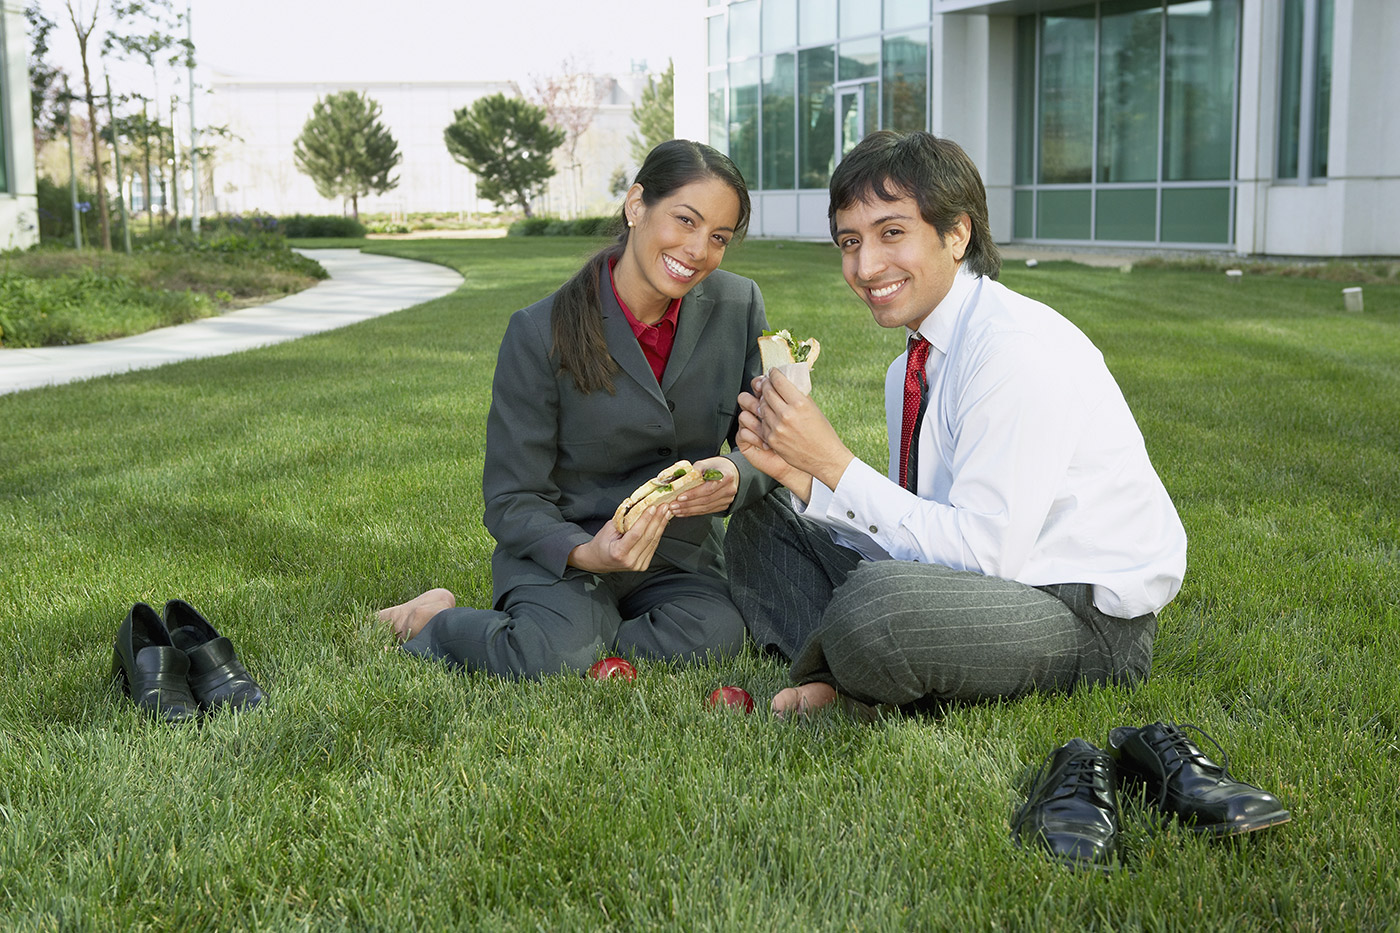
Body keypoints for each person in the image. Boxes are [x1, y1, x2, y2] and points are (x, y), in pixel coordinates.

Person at [726, 131, 1187, 716]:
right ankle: (869, 672)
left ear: (956, 234)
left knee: (881, 603)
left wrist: (834, 463)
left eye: (892, 233)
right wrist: (801, 476)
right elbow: (924, 540)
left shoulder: (1012, 351)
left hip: (1079, 617)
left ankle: (854, 679)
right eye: (850, 241)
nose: (866, 266)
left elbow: (986, 559)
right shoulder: (909, 368)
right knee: (760, 522)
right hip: (970, 587)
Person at [378, 140, 775, 678]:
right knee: (551, 658)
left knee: (717, 637)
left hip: (677, 557)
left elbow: (771, 444)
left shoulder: (739, 304)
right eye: (685, 220)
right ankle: (437, 620)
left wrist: (735, 473)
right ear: (637, 205)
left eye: (719, 237)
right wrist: (588, 553)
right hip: (566, 553)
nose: (698, 250)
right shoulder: (538, 331)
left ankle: (582, 636)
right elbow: (512, 497)